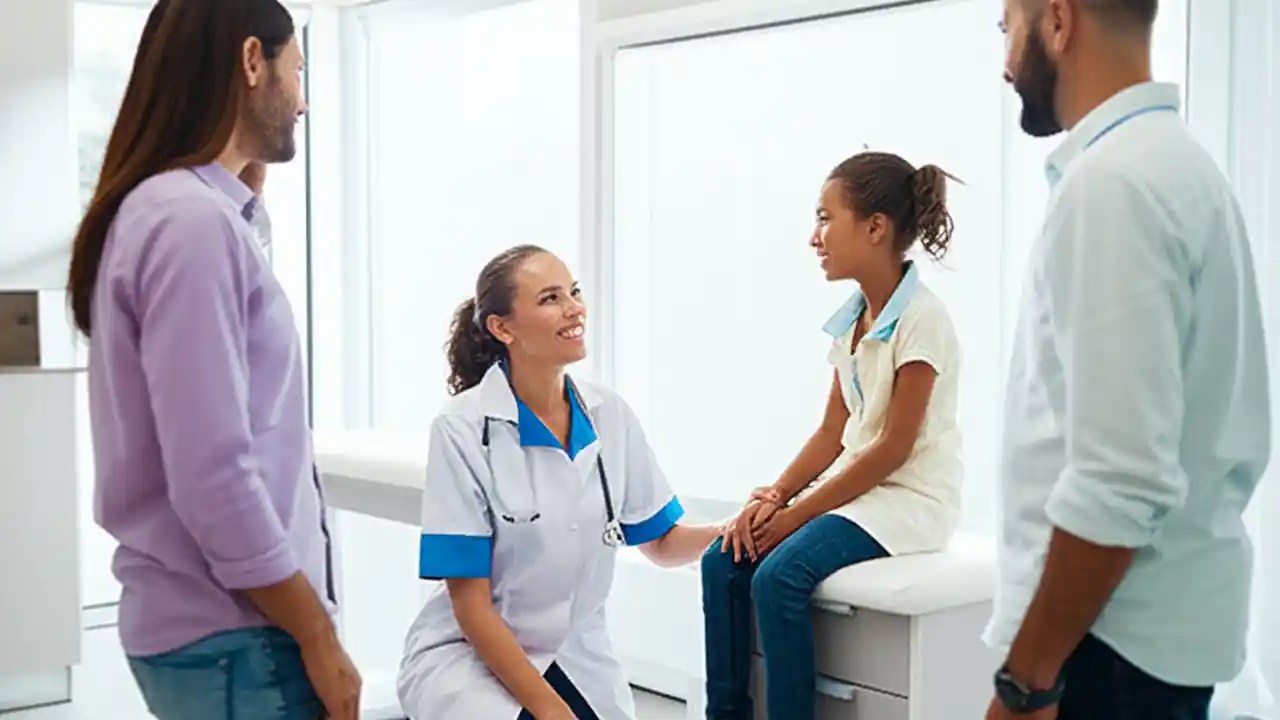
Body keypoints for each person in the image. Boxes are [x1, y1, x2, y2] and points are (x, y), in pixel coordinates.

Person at [67, 1, 360, 718]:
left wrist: (244, 203)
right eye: (298, 71)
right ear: (252, 61)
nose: (304, 100)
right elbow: (214, 475)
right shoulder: (191, 224)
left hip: (216, 637)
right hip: (241, 639)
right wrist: (318, 636)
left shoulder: (169, 211)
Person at [987, 1, 1269, 719]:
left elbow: (1120, 478)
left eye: (1007, 28)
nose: (1006, 64)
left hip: (1106, 653)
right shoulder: (1179, 168)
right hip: (1143, 646)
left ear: (1057, 19)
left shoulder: (1114, 185)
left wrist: (1026, 684)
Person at [396, 245, 722, 719]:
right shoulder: (463, 429)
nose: (574, 309)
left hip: (575, 657)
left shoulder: (610, 416)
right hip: (471, 657)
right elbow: (471, 606)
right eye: (550, 299)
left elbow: (662, 542)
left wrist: (733, 529)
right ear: (502, 327)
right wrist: (550, 711)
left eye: (573, 292)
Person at [702, 151, 965, 719]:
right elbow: (831, 431)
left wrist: (793, 517)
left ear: (875, 228)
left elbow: (893, 449)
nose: (814, 237)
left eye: (825, 218)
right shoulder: (853, 319)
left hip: (907, 500)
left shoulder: (923, 318)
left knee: (778, 576)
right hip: (860, 491)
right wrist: (771, 496)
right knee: (721, 560)